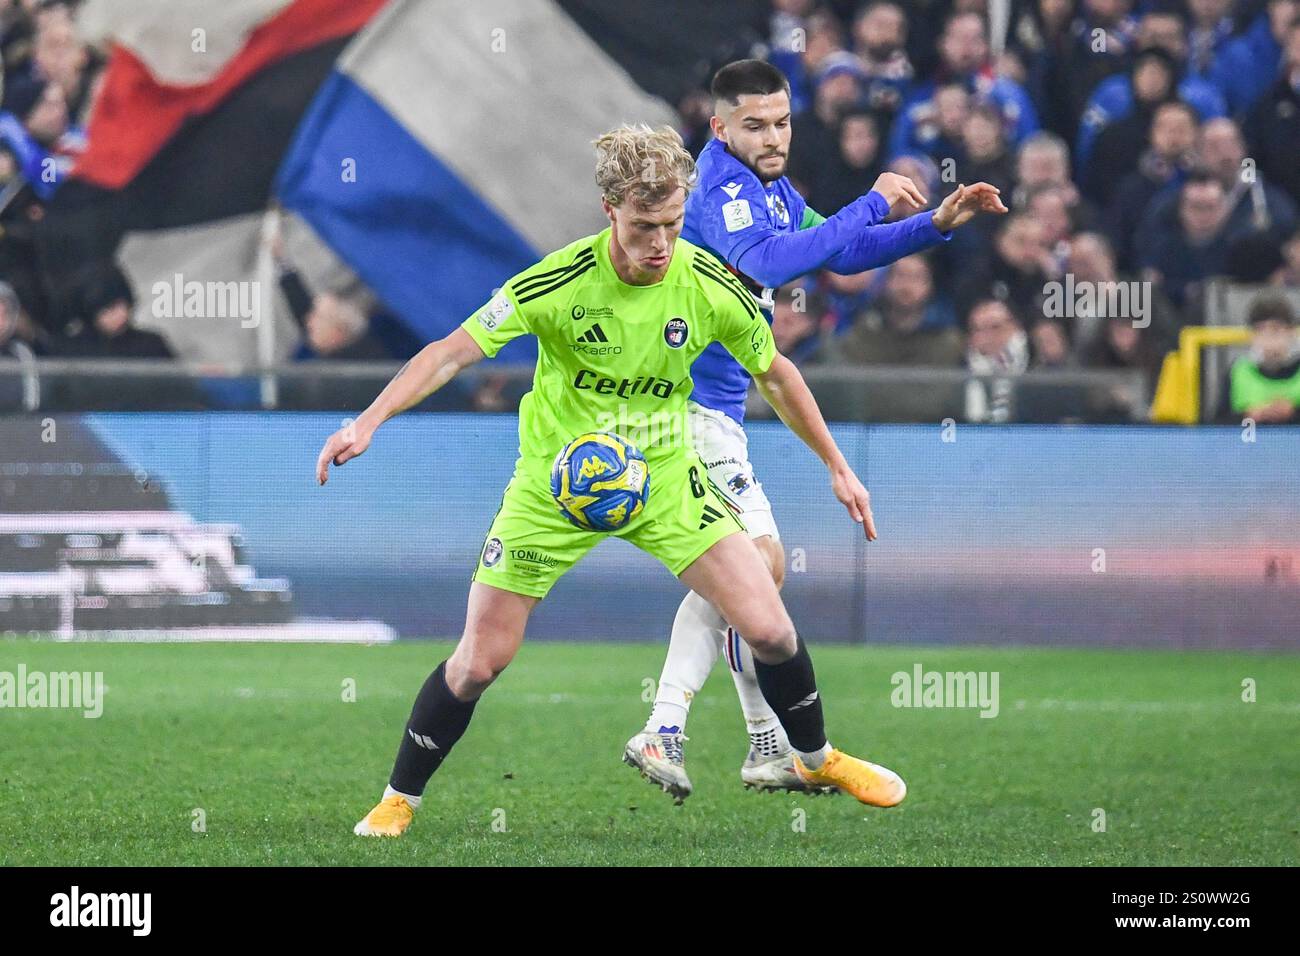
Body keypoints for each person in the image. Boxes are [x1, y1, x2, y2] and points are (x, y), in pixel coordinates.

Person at [319, 124, 911, 837]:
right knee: (479, 663)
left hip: (663, 474)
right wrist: (369, 420)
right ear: (609, 211)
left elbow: (775, 374)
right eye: (642, 226)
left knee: (769, 626)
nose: (659, 243)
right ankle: (398, 798)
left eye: (670, 224)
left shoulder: (706, 283)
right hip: (554, 488)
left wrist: (838, 466)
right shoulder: (559, 282)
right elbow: (450, 352)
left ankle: (813, 757)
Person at [622, 59, 1005, 799]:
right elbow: (770, 260)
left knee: (756, 575)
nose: (773, 137)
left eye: (783, 122)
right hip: (684, 410)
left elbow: (838, 252)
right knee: (752, 568)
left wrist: (933, 223)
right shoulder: (722, 191)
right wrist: (869, 200)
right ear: (720, 127)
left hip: (719, 413)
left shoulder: (769, 187)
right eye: (756, 125)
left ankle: (762, 744)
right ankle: (668, 725)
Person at [1228, 294, 1300, 424]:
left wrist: (1294, 413)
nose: (1268, 337)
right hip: (1252, 443)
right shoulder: (1239, 371)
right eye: (1260, 330)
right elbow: (1215, 424)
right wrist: (1248, 416)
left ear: (1291, 331)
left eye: (1276, 329)